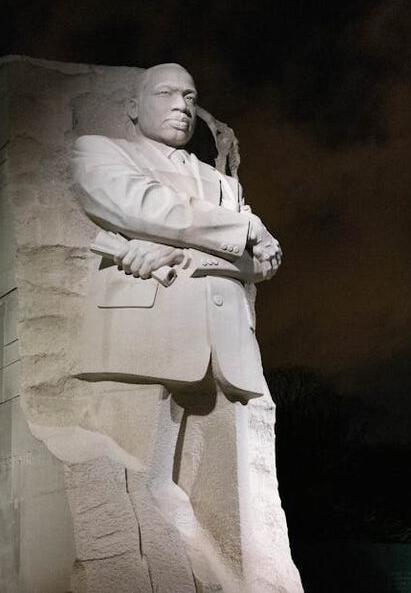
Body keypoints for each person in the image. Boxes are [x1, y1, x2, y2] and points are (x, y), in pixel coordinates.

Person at [72, 63, 301, 592]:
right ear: (134, 106)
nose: (182, 104)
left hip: (229, 348)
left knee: (240, 514)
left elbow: (263, 264)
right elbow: (142, 206)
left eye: (190, 96)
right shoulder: (101, 151)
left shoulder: (223, 184)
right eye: (167, 93)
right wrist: (241, 230)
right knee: (136, 486)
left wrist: (196, 258)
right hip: (142, 335)